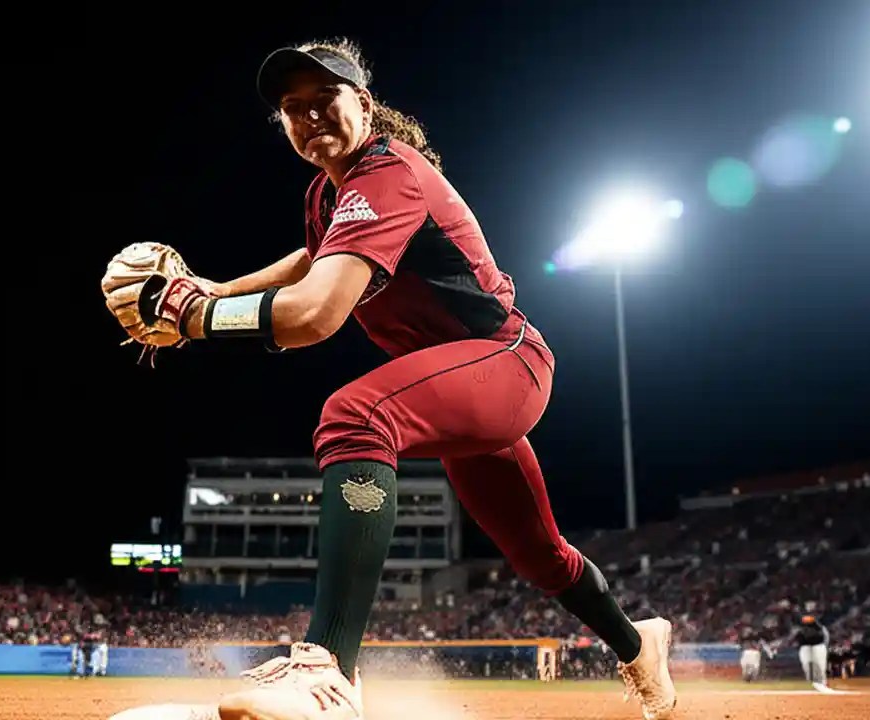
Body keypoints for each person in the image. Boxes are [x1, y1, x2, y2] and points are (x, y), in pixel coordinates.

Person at [106, 39, 675, 720]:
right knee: (539, 556)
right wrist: (219, 287)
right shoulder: (329, 192)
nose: (309, 116)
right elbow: (308, 261)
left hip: (503, 361)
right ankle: (638, 644)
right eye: (293, 109)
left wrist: (194, 314)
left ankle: (329, 672)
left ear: (365, 105)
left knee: (356, 415)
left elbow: (315, 313)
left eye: (326, 100)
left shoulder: (385, 174)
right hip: (462, 379)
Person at [794, 615, 829, 686]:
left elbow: (826, 637)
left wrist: (825, 645)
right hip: (805, 647)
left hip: (818, 646)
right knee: (806, 665)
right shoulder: (800, 629)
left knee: (820, 665)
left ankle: (822, 681)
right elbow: (797, 639)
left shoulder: (820, 628)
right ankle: (810, 682)